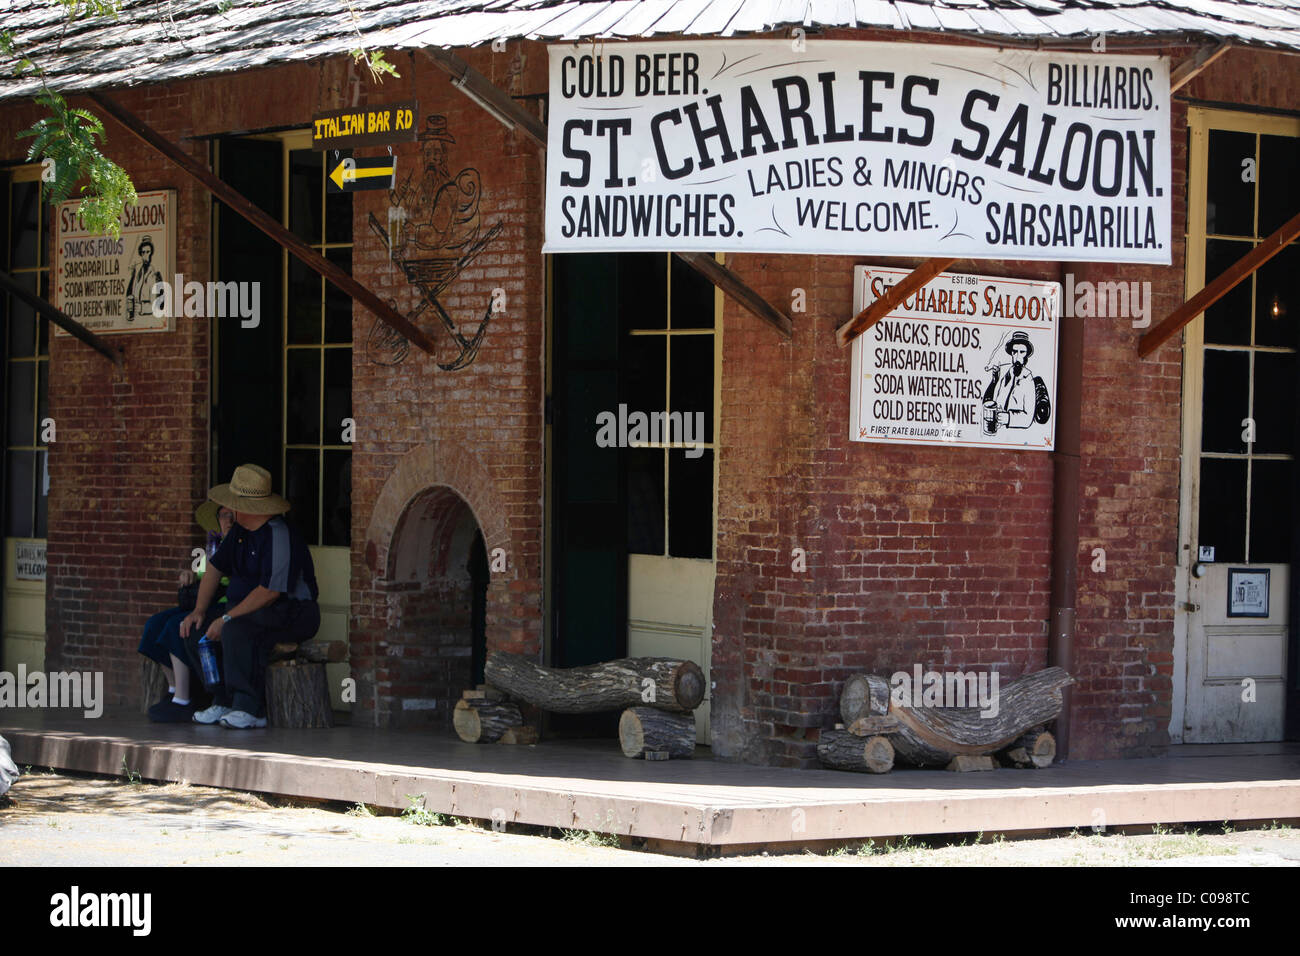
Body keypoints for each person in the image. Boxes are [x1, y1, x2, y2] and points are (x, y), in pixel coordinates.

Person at [181, 464, 320, 729]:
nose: (230, 510)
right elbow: (215, 567)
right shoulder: (239, 533)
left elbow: (270, 592)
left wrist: (226, 617)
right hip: (253, 611)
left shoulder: (278, 533)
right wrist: (199, 610)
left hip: (293, 611)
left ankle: (250, 708)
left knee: (235, 631)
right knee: (196, 629)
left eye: (234, 504)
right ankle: (222, 698)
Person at [138, 501, 234, 722]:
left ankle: (184, 699)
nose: (228, 520)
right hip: (204, 602)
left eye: (232, 515)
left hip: (225, 604)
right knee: (155, 624)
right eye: (223, 515)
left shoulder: (241, 543)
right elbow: (201, 573)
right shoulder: (213, 544)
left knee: (178, 626)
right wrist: (189, 574)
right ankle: (173, 690)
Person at [981, 330, 1051, 431]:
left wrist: (1008, 418)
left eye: (1022, 352)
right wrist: (994, 380)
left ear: (1026, 355)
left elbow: (1028, 419)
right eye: (1014, 352)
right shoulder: (1006, 374)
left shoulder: (1028, 380)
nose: (1017, 357)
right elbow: (993, 401)